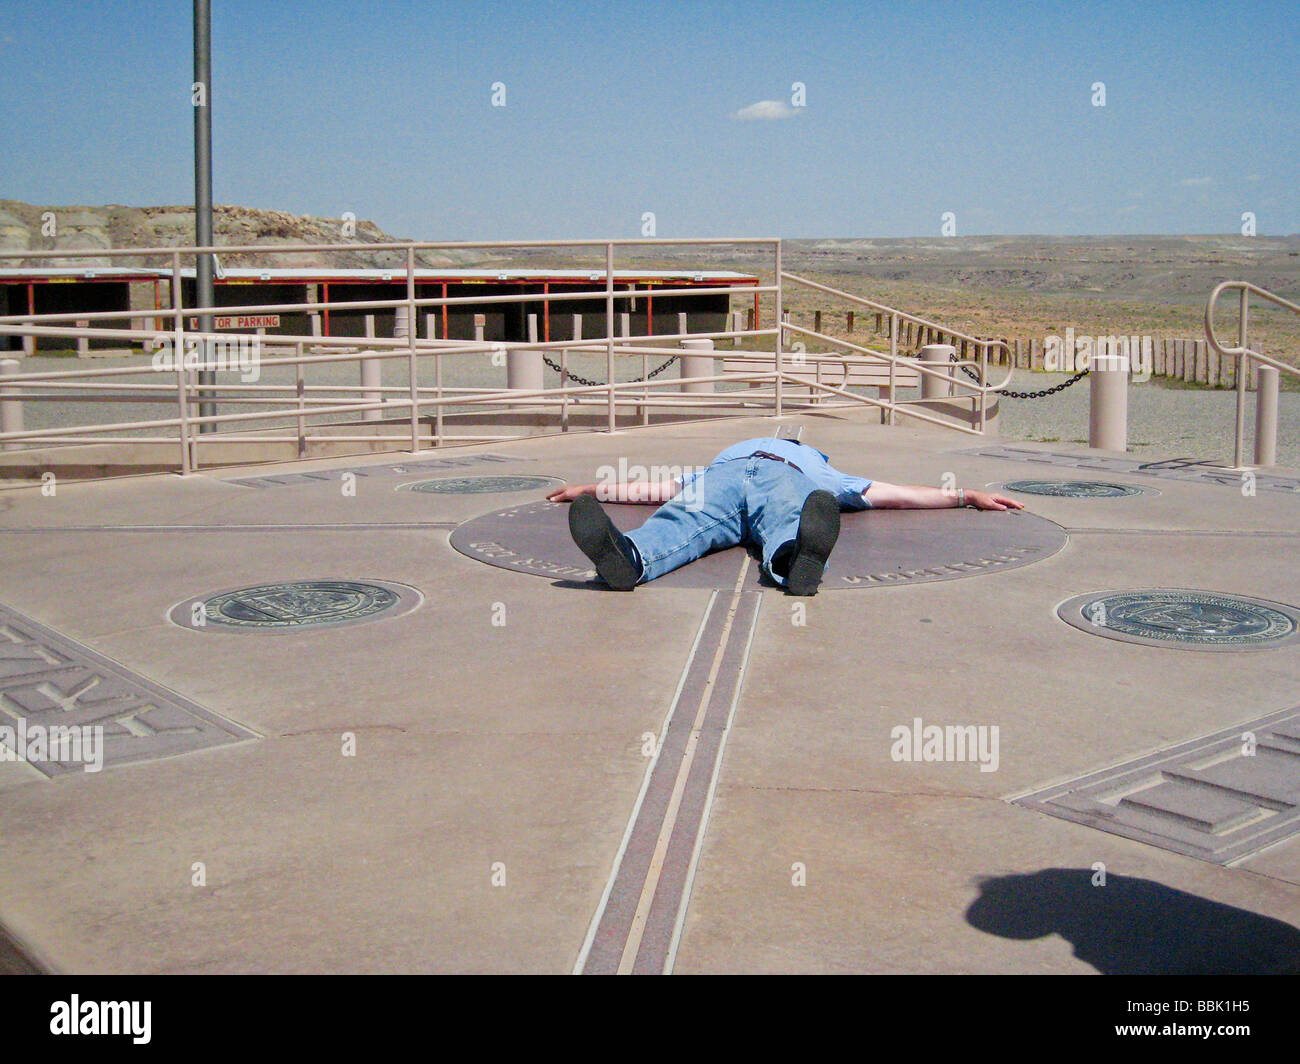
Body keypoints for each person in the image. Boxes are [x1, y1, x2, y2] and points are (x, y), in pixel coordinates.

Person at [547, 436, 1024, 595]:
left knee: (681, 521)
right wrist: (589, 490)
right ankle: (625, 557)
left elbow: (650, 488)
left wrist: (965, 494)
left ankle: (635, 558)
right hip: (766, 478)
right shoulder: (819, 469)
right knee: (774, 521)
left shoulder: (821, 470)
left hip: (729, 476)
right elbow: (893, 494)